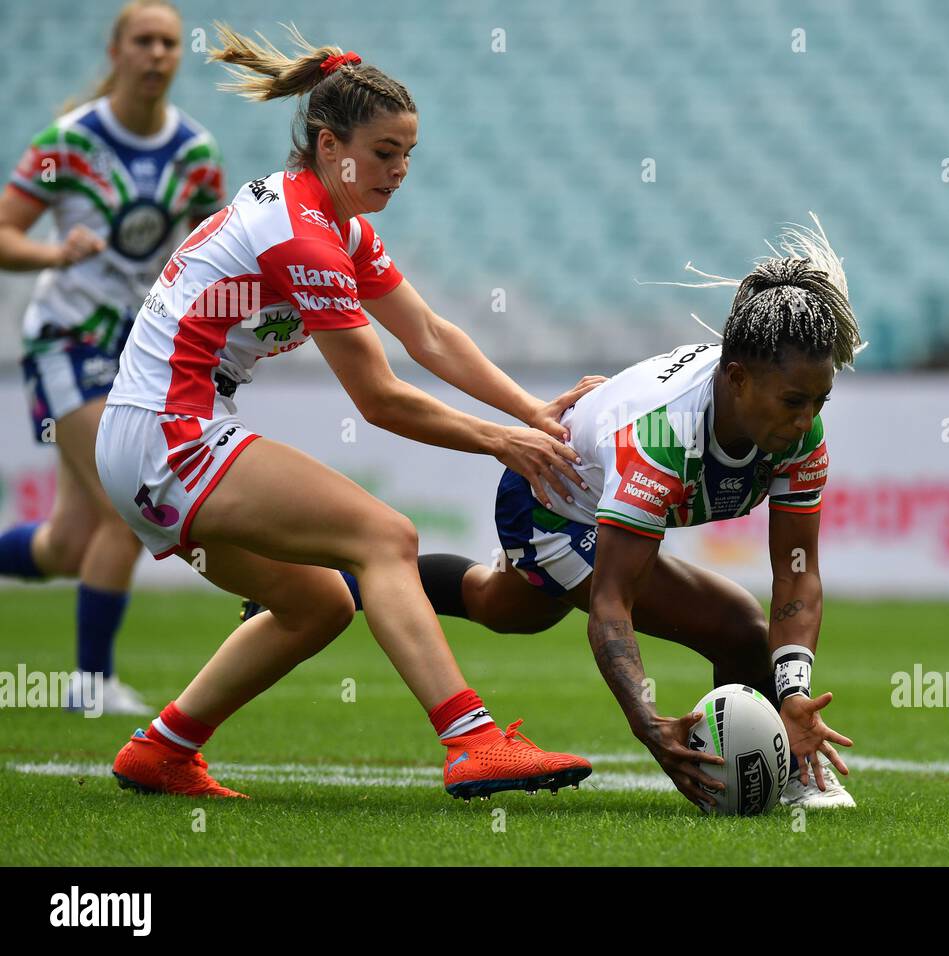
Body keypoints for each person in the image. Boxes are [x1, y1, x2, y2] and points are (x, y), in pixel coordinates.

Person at [100, 23, 600, 801]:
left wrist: (534, 413)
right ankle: (472, 743)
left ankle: (163, 750)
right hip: (170, 432)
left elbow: (430, 336)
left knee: (319, 602)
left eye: (407, 154)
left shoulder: (337, 223)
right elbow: (378, 398)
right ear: (331, 144)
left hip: (154, 434)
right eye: (384, 153)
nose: (399, 171)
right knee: (386, 538)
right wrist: (503, 442)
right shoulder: (302, 235)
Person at [282, 217, 865, 811]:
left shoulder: (798, 427)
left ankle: (336, 580)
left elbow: (797, 573)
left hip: (591, 487)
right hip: (549, 507)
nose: (806, 421)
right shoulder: (663, 437)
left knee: (501, 605)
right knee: (737, 625)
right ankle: (778, 777)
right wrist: (648, 724)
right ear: (737, 379)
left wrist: (794, 692)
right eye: (796, 402)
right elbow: (614, 604)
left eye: (820, 401)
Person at [0, 0, 224, 714]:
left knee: (69, 545)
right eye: (144, 41)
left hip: (135, 348)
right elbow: (6, 233)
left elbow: (211, 256)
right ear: (116, 50)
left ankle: (90, 681)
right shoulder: (68, 143)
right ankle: (89, 685)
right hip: (67, 339)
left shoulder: (195, 152)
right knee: (129, 505)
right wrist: (52, 251)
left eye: (169, 42)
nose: (158, 53)